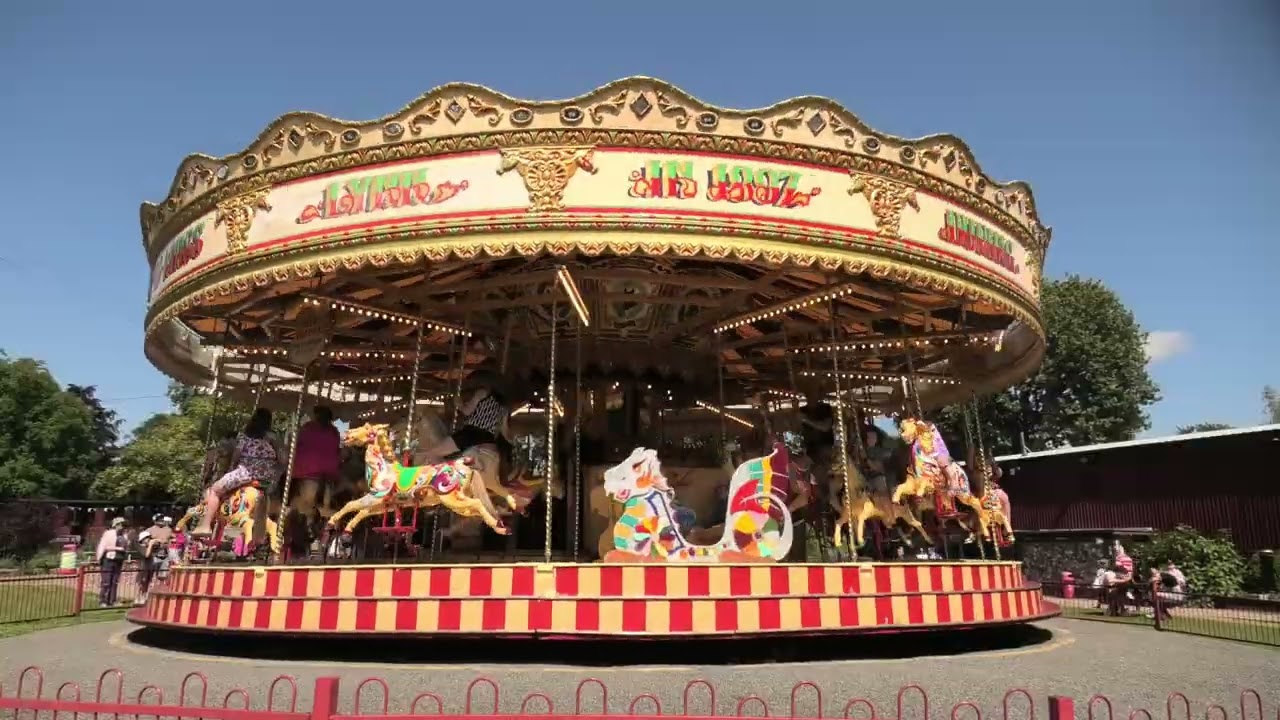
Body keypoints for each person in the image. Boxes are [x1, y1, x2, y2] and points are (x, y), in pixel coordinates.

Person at [193, 409, 281, 536]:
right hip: (267, 476)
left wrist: (231, 469)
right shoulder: (274, 438)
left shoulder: (246, 436)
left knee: (215, 490)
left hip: (246, 473)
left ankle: (205, 526)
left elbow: (236, 457)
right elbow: (283, 458)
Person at [421, 373, 510, 463]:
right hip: (489, 439)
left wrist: (459, 404)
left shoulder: (482, 392)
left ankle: (444, 476)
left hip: (471, 434)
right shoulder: (504, 405)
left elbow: (467, 411)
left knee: (433, 453)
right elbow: (504, 429)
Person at [292, 405, 342, 483]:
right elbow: (337, 449)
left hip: (305, 471)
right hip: (330, 472)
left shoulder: (308, 427)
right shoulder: (334, 431)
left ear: (316, 415)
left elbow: (295, 443)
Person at [95, 517, 128, 607]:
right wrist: (117, 548)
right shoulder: (108, 533)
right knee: (106, 581)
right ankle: (103, 600)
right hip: (108, 559)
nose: (123, 526)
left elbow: (126, 547)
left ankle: (112, 600)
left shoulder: (124, 535)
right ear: (116, 525)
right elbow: (104, 546)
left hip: (119, 560)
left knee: (114, 581)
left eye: (124, 525)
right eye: (121, 524)